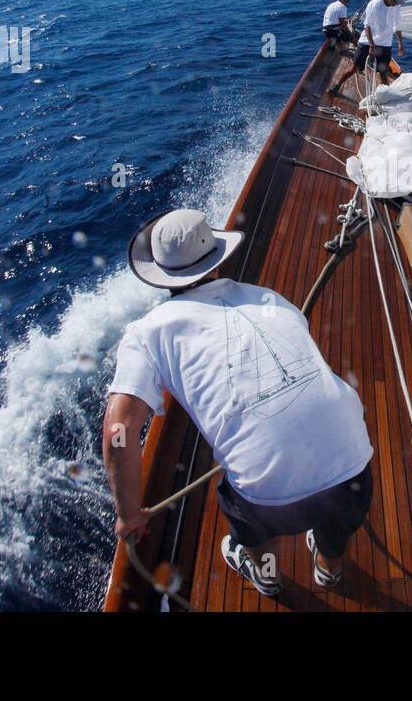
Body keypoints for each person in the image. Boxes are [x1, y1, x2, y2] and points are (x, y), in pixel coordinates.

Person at [102, 208, 374, 598]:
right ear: (216, 256)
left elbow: (118, 431)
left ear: (161, 273)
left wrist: (129, 515)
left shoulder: (146, 333)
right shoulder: (268, 297)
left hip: (268, 497)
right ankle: (329, 570)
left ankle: (265, 575)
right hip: (354, 467)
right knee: (338, 520)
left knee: (245, 511)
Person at [327, 0, 405, 96]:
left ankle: (387, 95)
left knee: (383, 71)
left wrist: (400, 44)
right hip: (367, 41)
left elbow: (397, 26)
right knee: (354, 68)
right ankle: (337, 86)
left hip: (385, 43)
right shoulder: (374, 4)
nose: (397, 4)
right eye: (396, 1)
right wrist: (372, 46)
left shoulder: (396, 6)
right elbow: (367, 26)